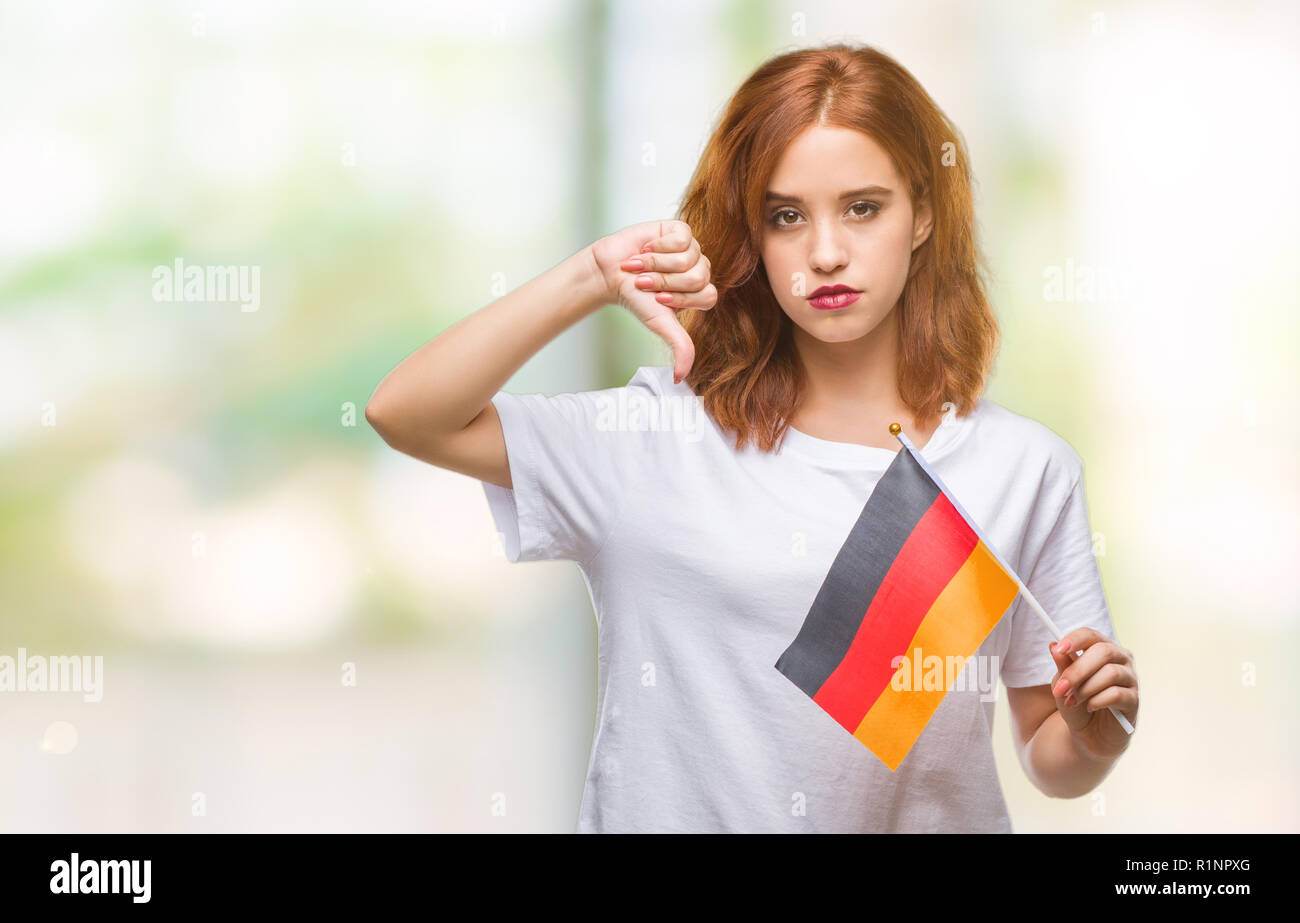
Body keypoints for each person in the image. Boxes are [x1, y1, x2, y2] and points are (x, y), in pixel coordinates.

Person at [365, 41, 1140, 833]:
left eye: (863, 207)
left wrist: (1094, 733)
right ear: (753, 234)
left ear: (923, 212)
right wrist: (591, 277)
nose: (827, 252)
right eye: (786, 216)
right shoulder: (651, 436)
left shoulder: (1022, 468)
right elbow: (405, 412)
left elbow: (1052, 757)